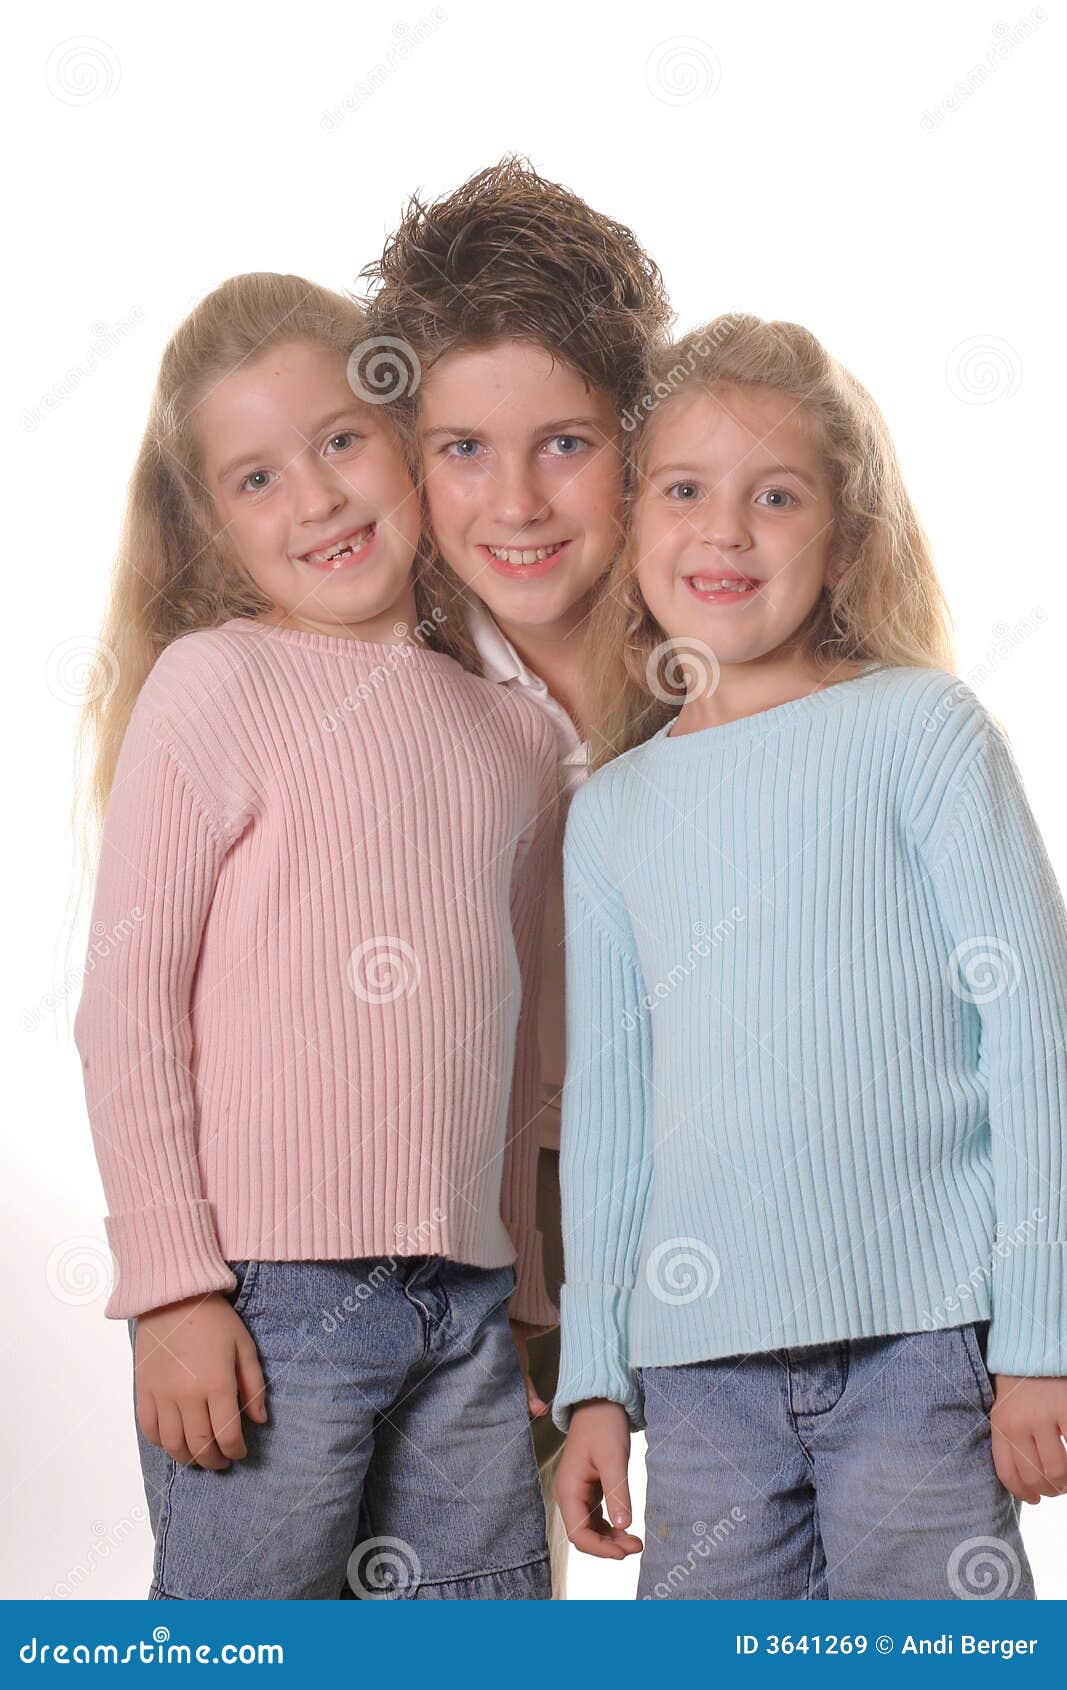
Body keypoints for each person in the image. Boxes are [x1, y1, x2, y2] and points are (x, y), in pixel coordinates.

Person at [553, 315, 1067, 1599]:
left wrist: (1041, 1337)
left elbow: (1035, 1038)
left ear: (841, 540)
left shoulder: (921, 733)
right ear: (632, 523)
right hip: (699, 1380)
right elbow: (610, 1115)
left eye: (773, 496)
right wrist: (592, 1385)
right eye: (684, 490)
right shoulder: (612, 812)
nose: (723, 532)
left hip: (925, 1352)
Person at [73, 272, 558, 1600]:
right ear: (211, 529)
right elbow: (127, 1010)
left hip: (465, 1301)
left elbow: (513, 1046)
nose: (319, 496)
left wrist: (522, 1285)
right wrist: (172, 1287)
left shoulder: (514, 736)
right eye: (257, 478)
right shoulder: (214, 683)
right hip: (262, 1304)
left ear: (407, 440)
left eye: (341, 440)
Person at [362, 157, 672, 1594]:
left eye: (564, 443)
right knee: (475, 1581)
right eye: (462, 450)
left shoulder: (732, 668)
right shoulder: (381, 687)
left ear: (637, 436)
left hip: (714, 1200)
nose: (519, 503)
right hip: (465, 1217)